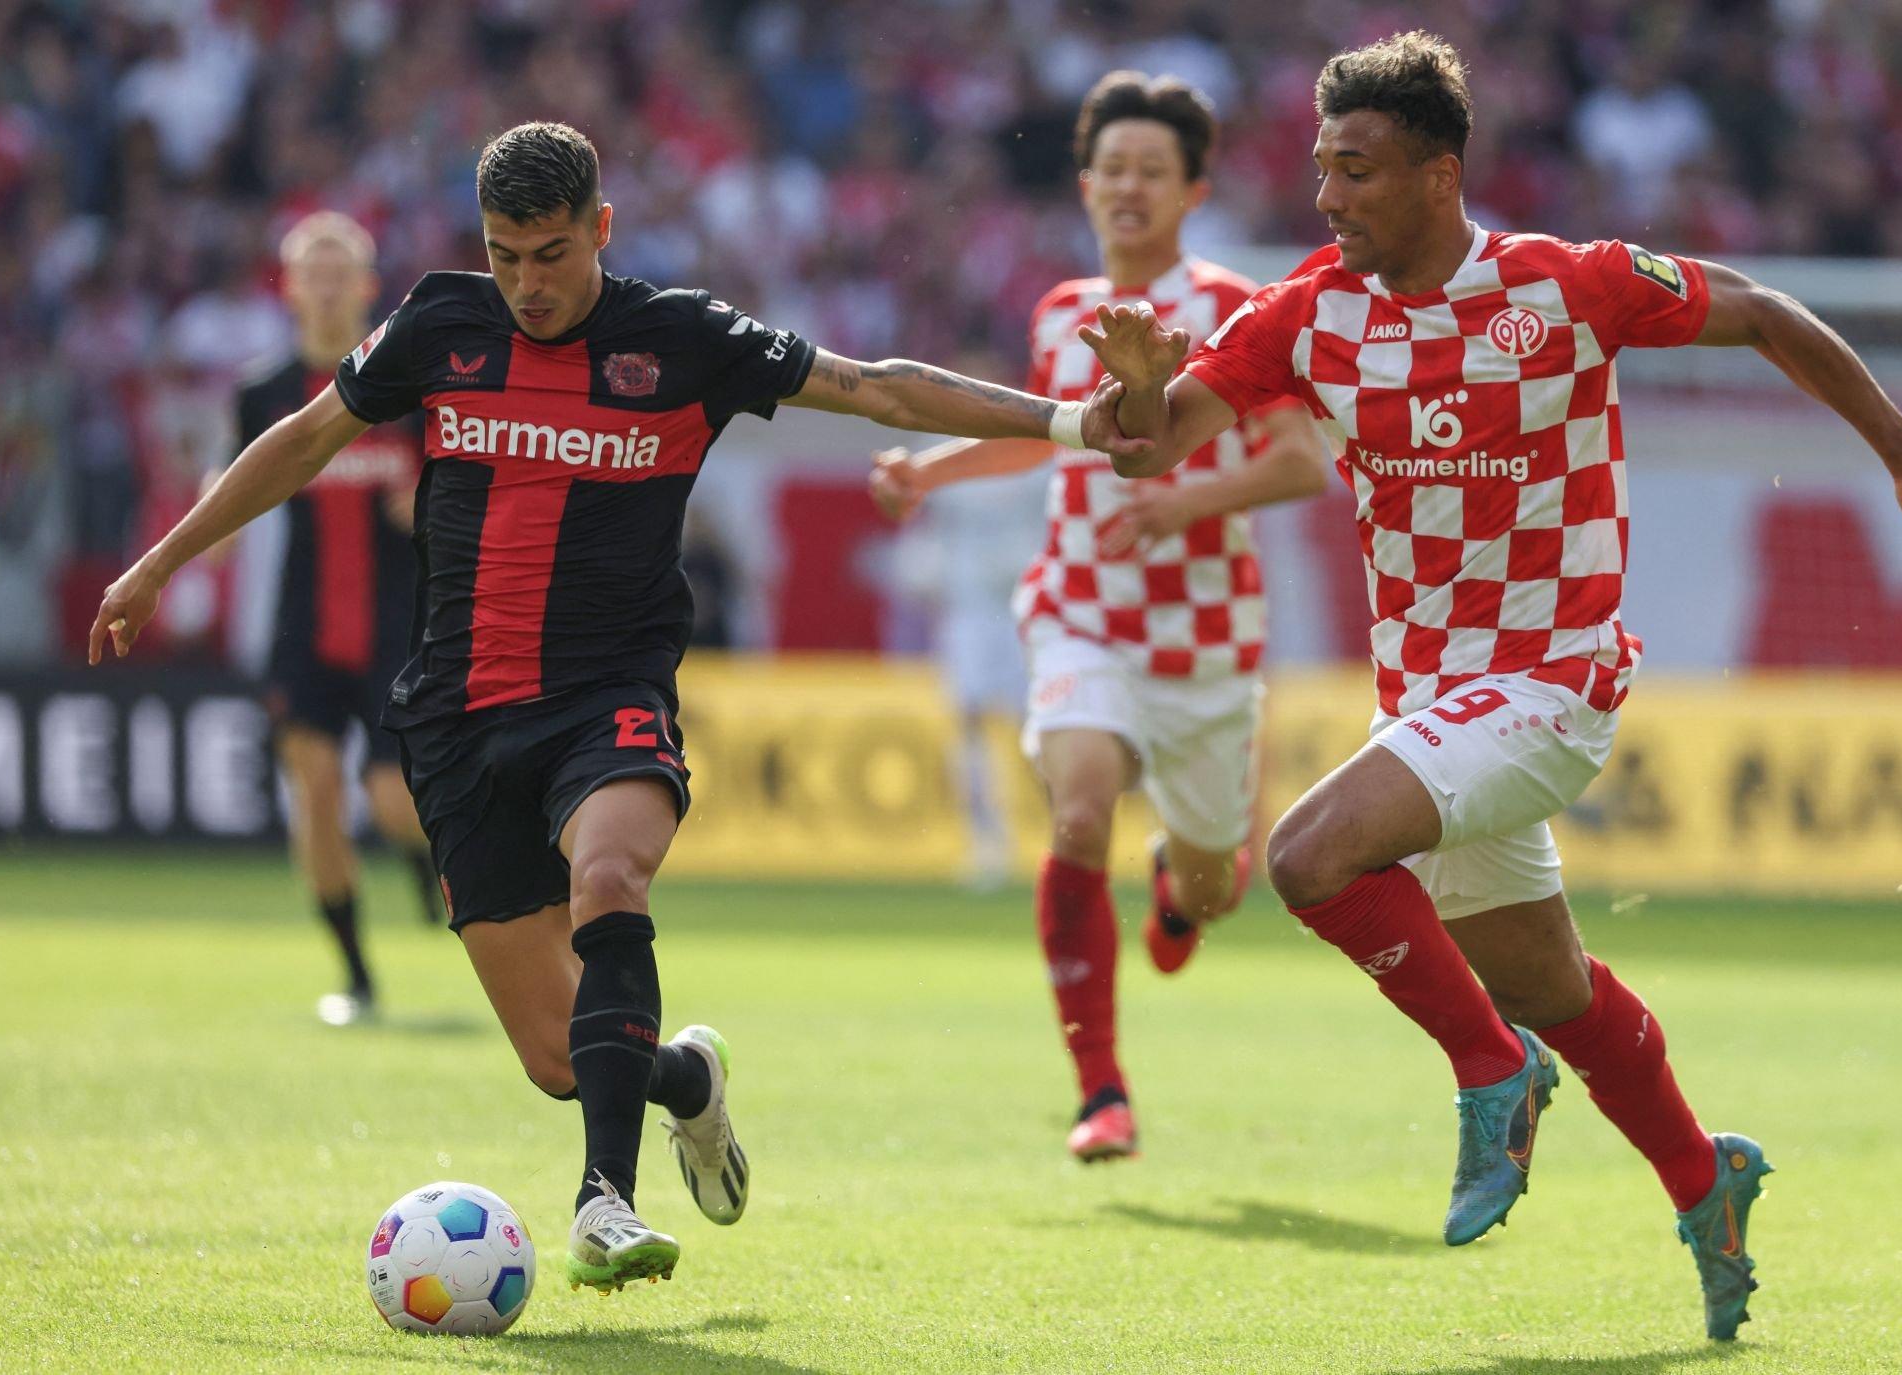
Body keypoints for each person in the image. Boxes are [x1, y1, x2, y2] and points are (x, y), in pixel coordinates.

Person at [89, 121, 1154, 1298]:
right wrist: (159, 563)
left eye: (550, 254)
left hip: (608, 694)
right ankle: (684, 1084)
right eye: (504, 256)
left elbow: (874, 388)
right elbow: (300, 443)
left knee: (609, 882)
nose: (528, 284)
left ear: (600, 228)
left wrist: (1069, 422)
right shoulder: (438, 326)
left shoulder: (683, 339)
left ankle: (605, 1201)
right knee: (560, 1059)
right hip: (453, 715)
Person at [1080, 32, 1902, 1341]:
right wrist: (1133, 393)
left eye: (1358, 171)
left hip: (1552, 679)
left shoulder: (1563, 285)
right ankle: (1706, 1176)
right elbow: (1155, 438)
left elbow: (1758, 308)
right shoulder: (1310, 310)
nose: (1328, 196)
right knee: (1553, 987)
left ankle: (1487, 1070)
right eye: (1321, 169)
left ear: (1439, 174)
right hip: (1428, 704)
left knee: (1308, 858)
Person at [869, 72, 1325, 1164]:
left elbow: (1301, 464)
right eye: (1110, 168)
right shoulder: (1061, 310)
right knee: (1076, 814)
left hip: (1205, 641)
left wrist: (1182, 497)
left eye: (1150, 171)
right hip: (1078, 608)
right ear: (1084, 184)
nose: (1127, 186)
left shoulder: (1237, 311)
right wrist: (929, 471)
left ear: (1192, 189)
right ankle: (1100, 1092)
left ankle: (1180, 888)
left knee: (1213, 889)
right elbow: (1043, 430)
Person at [232, 211, 443, 1027]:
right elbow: (242, 485)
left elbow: (458, 484)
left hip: (396, 628)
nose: (323, 287)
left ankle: (422, 859)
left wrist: (424, 500)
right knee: (315, 793)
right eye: (308, 272)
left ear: (366, 286)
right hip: (303, 628)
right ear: (288, 289)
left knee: (394, 800)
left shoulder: (410, 384)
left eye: (338, 272)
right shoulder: (263, 393)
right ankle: (356, 976)